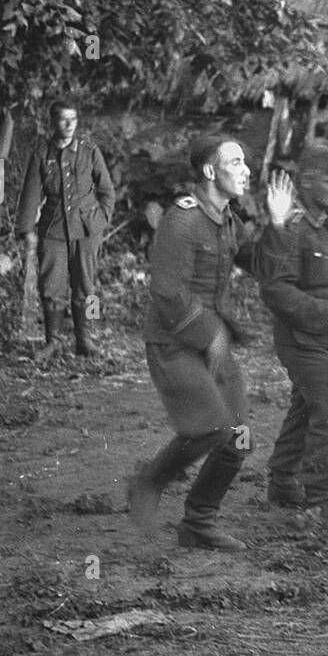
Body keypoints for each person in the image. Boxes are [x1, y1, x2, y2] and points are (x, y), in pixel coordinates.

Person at [125, 135, 291, 550]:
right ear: (210, 172)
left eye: (245, 162)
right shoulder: (182, 220)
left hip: (211, 343)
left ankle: (198, 522)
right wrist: (212, 334)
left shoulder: (227, 221)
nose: (247, 170)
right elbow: (166, 292)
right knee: (210, 428)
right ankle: (149, 482)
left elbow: (263, 267)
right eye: (236, 162)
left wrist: (279, 224)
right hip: (173, 340)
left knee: (239, 437)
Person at [258, 147, 328, 524]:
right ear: (306, 182)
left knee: (304, 410)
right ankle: (316, 500)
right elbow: (276, 290)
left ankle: (284, 480)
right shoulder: (288, 226)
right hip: (300, 340)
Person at [14, 99, 116, 359]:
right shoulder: (42, 154)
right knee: (51, 286)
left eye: (74, 119)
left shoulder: (89, 151)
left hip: (87, 228)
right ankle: (53, 341)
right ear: (53, 122)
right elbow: (31, 194)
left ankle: (86, 339)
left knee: (88, 287)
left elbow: (107, 191)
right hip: (54, 229)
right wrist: (27, 229)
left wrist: (100, 221)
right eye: (63, 119)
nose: (70, 125)